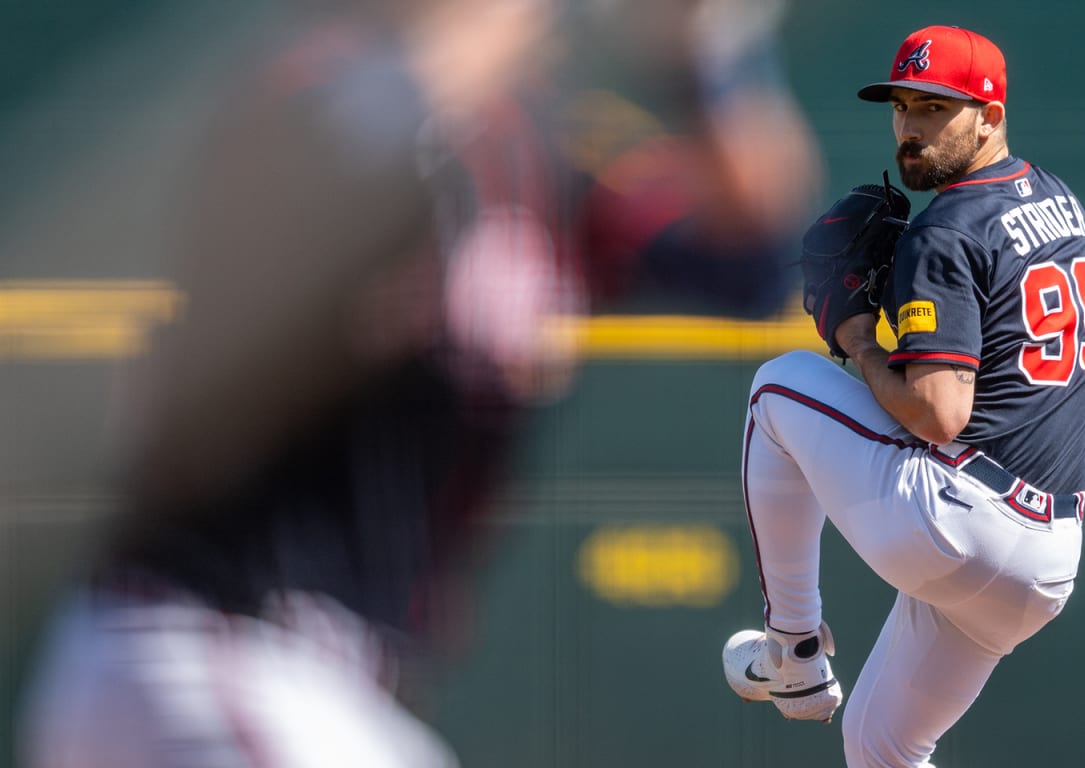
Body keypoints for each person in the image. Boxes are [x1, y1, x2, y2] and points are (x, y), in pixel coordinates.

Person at [16, 0, 819, 765]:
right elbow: (368, 130)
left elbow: (751, 255)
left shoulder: (540, 156)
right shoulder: (303, 87)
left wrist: (701, 57)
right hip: (207, 650)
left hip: (319, 686)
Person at [720, 25, 1085, 767]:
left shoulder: (945, 233)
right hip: (1047, 560)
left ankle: (794, 648)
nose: (911, 128)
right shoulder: (1057, 200)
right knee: (880, 744)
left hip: (964, 525)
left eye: (936, 108)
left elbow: (939, 414)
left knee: (778, 388)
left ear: (990, 115)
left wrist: (862, 339)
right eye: (902, 106)